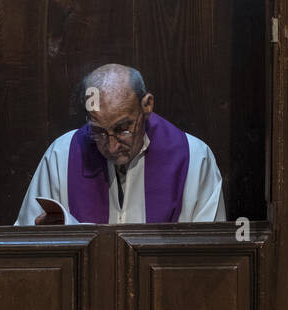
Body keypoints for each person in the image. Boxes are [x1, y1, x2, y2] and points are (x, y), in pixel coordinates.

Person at [15, 62, 226, 225]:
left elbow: (209, 251)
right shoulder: (61, 155)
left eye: (122, 128)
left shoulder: (194, 157)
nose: (111, 147)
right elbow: (28, 244)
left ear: (147, 105)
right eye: (98, 131)